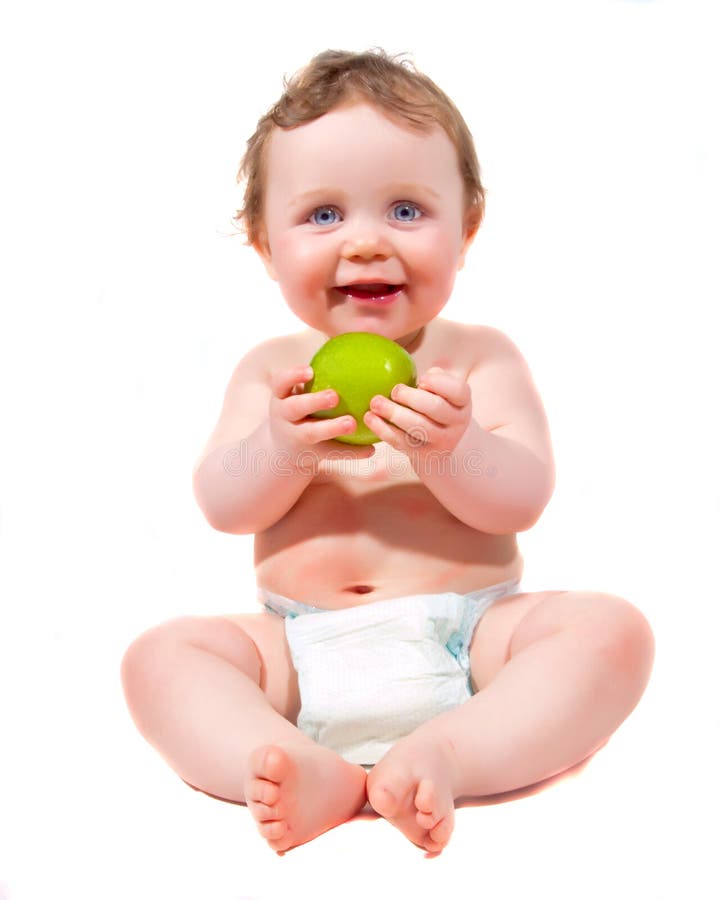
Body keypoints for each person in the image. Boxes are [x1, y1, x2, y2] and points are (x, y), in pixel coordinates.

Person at [121, 48, 655, 855]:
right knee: (160, 659)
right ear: (265, 246)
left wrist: (455, 449)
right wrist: (279, 449)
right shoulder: (271, 373)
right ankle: (299, 764)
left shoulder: (480, 359)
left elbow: (524, 496)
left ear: (466, 228)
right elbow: (223, 506)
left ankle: (451, 750)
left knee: (612, 632)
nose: (367, 244)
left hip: (474, 642)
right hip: (299, 650)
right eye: (324, 215)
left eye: (406, 211)